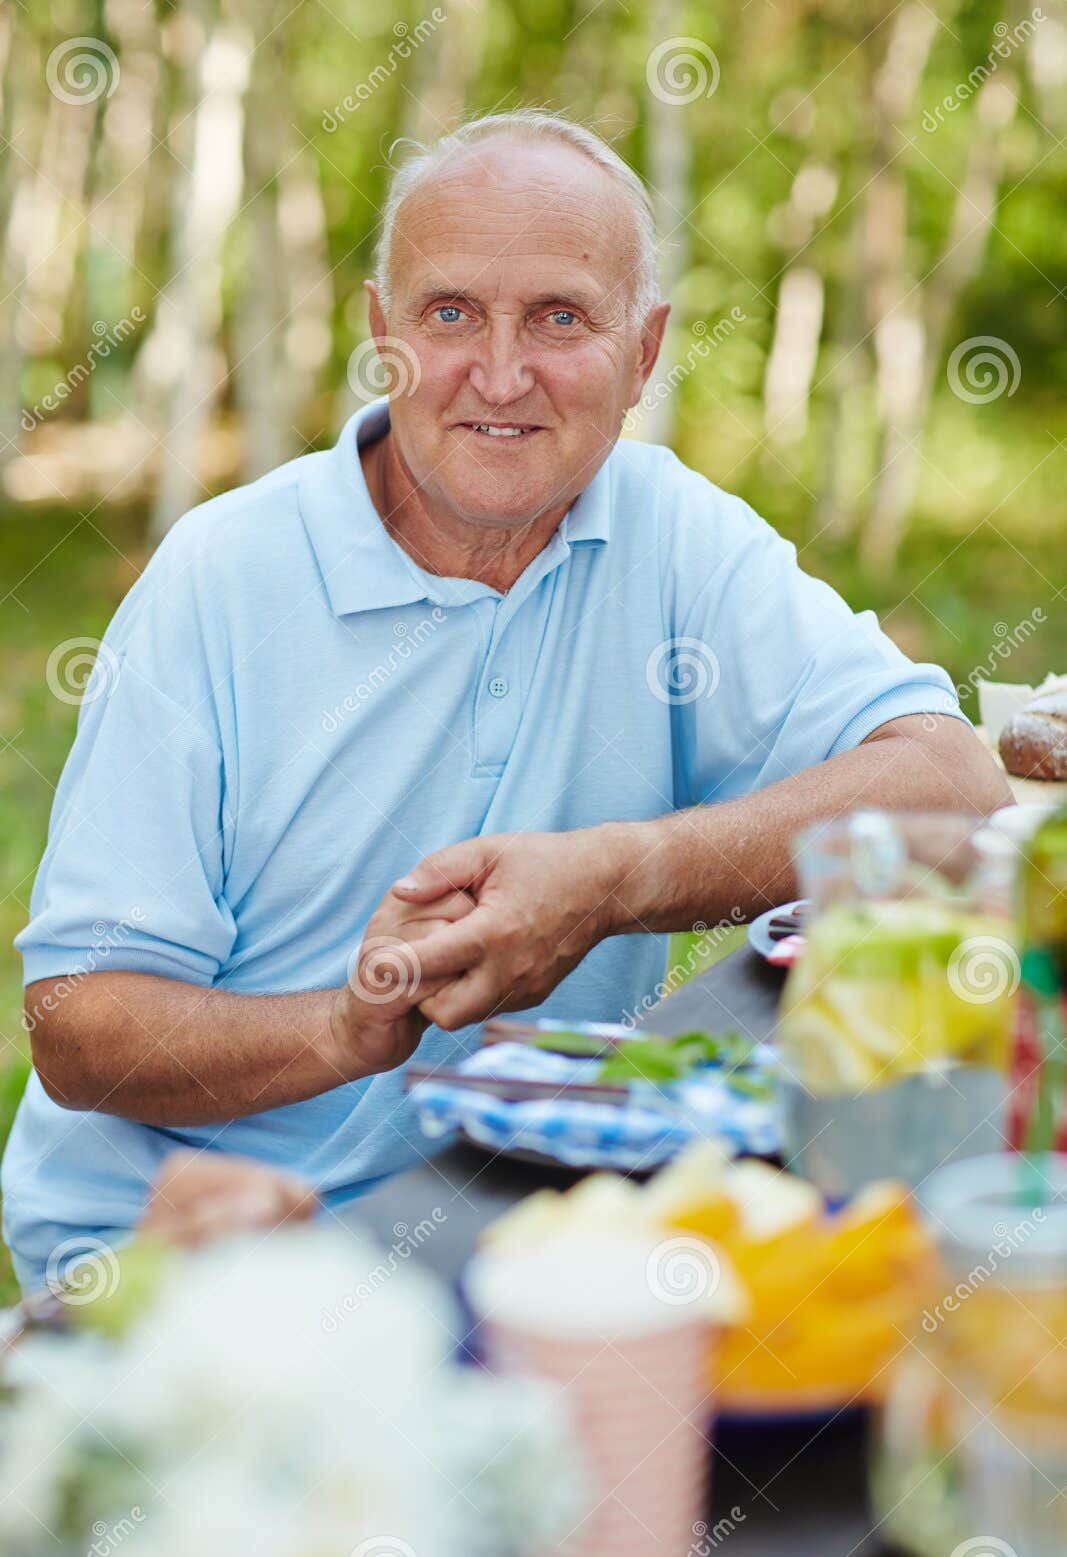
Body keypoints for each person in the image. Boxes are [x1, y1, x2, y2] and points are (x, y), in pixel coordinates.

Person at [4, 111, 1008, 1290]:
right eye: (449, 313)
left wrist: (614, 878)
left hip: (519, 1228)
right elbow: (81, 1024)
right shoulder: (218, 577)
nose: (498, 373)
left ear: (642, 355)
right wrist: (349, 1024)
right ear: (382, 335)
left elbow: (951, 781)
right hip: (183, 1253)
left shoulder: (667, 533)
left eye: (559, 318)